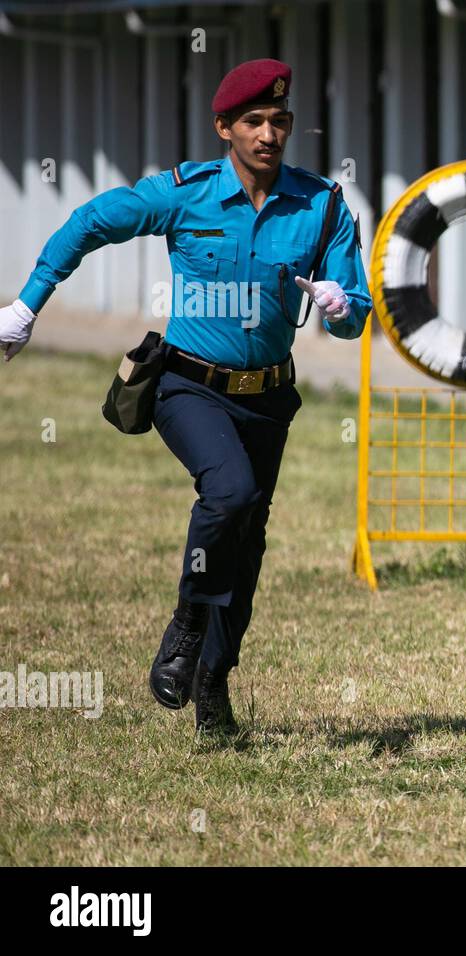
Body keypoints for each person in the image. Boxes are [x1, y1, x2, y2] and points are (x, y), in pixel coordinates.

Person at [0, 58, 373, 735]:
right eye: (254, 121)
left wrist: (340, 306)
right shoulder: (186, 194)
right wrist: (27, 304)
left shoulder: (321, 206)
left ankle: (212, 682)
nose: (269, 133)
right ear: (224, 126)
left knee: (249, 542)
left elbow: (355, 316)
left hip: (267, 398)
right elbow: (90, 221)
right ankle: (184, 627)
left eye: (280, 121)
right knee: (229, 494)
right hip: (187, 386)